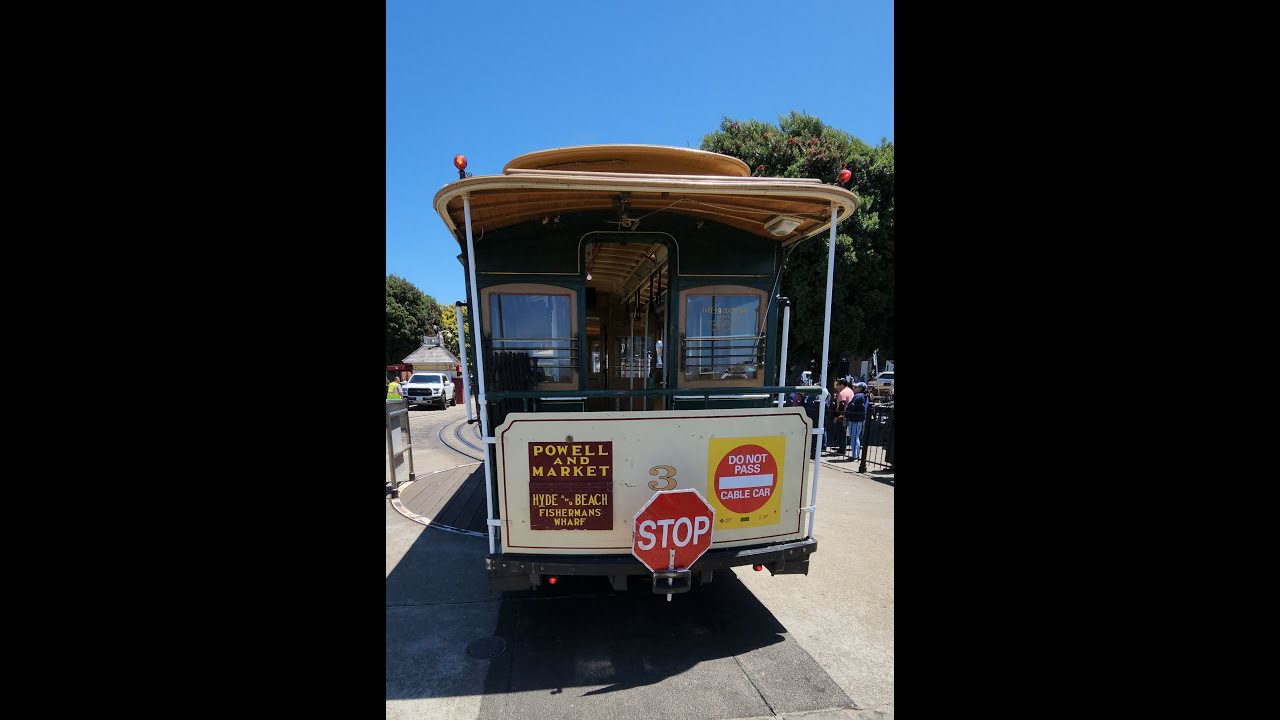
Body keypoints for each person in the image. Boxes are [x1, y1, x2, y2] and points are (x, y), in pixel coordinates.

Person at [827, 378, 854, 455]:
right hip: (848, 414)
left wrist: (837, 416)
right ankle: (843, 448)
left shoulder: (843, 393)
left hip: (842, 415)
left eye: (838, 385)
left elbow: (841, 405)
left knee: (840, 432)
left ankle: (842, 449)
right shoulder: (850, 391)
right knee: (844, 432)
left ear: (842, 385)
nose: (837, 386)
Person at [846, 381, 869, 460]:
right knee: (857, 437)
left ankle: (854, 456)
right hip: (861, 419)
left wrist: (847, 414)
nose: (854, 388)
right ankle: (856, 454)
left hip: (855, 419)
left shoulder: (858, 396)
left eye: (856, 387)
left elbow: (852, 406)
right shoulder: (865, 396)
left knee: (854, 437)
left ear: (860, 388)